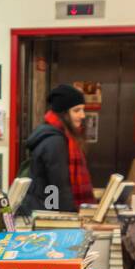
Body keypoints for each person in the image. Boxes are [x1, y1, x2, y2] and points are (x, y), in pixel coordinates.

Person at [18, 84, 94, 218]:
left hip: (43, 209)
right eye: (77, 110)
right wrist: (68, 218)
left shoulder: (58, 137)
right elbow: (59, 188)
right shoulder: (55, 142)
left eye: (83, 110)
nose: (82, 115)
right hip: (44, 213)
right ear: (64, 114)